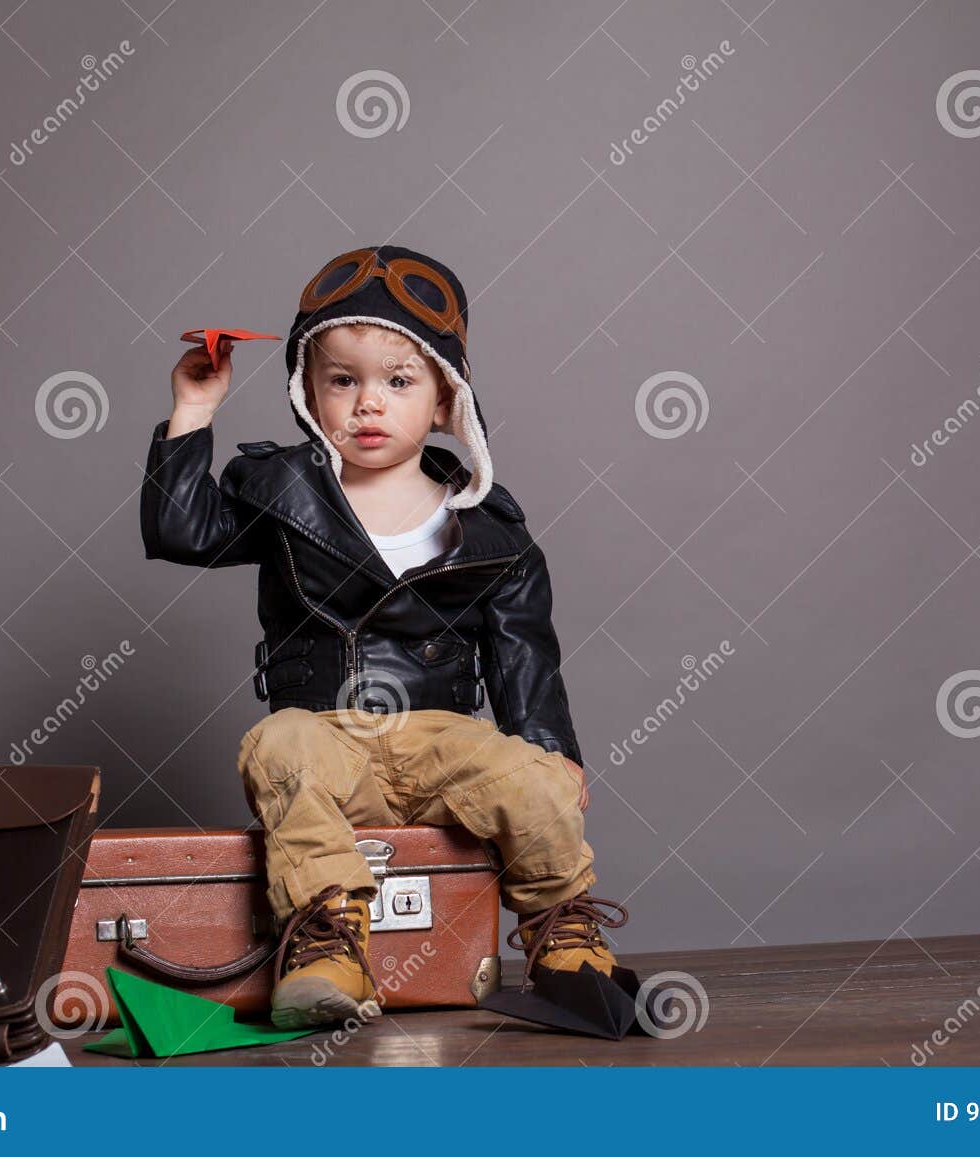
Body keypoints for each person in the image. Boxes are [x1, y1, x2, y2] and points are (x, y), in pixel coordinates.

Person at [140, 245, 629, 1029]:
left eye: (398, 381)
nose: (368, 404)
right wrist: (194, 410)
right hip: (329, 730)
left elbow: (523, 652)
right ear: (310, 392)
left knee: (532, 779)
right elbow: (181, 530)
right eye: (343, 380)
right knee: (279, 747)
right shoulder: (284, 490)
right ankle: (327, 942)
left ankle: (560, 935)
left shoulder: (489, 526)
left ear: (445, 401)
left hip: (440, 738)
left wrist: (552, 748)